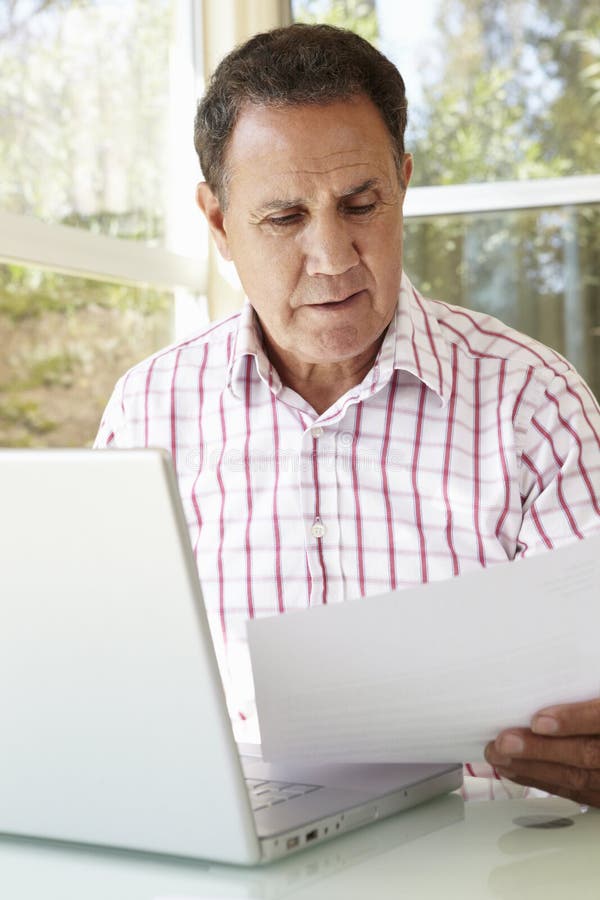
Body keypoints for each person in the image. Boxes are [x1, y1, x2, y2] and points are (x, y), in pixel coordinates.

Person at [95, 24, 600, 805]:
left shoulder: (535, 404)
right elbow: (93, 670)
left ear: (402, 183)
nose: (332, 257)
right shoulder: (147, 414)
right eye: (284, 218)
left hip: (488, 862)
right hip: (230, 853)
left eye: (361, 205)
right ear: (220, 222)